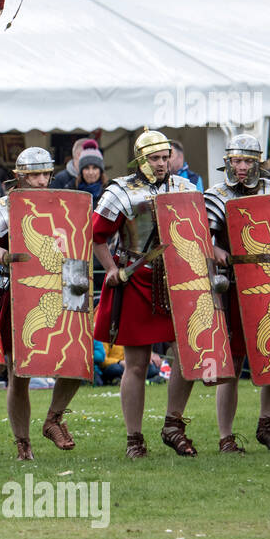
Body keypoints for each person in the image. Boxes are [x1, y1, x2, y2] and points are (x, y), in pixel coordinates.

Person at [92, 129, 202, 458]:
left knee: (188, 356)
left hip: (178, 281)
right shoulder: (119, 193)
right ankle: (134, 438)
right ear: (141, 160)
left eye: (165, 157)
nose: (161, 163)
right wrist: (111, 267)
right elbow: (96, 236)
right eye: (154, 158)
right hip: (137, 279)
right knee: (136, 364)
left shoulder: (185, 188)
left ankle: (173, 424)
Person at [0, 147, 84, 459]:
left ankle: (54, 418)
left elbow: (81, 238)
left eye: (45, 174)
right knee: (20, 373)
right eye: (34, 175)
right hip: (22, 293)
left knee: (75, 360)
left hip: (65, 287)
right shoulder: (3, 208)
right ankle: (22, 443)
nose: (41, 181)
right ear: (20, 176)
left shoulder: (65, 204)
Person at [204, 134, 270, 453]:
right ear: (228, 163)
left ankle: (265, 424)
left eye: (247, 162)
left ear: (259, 164)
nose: (241, 168)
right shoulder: (215, 196)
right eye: (236, 162)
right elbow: (204, 239)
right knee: (233, 361)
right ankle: (226, 436)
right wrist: (218, 252)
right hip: (232, 285)